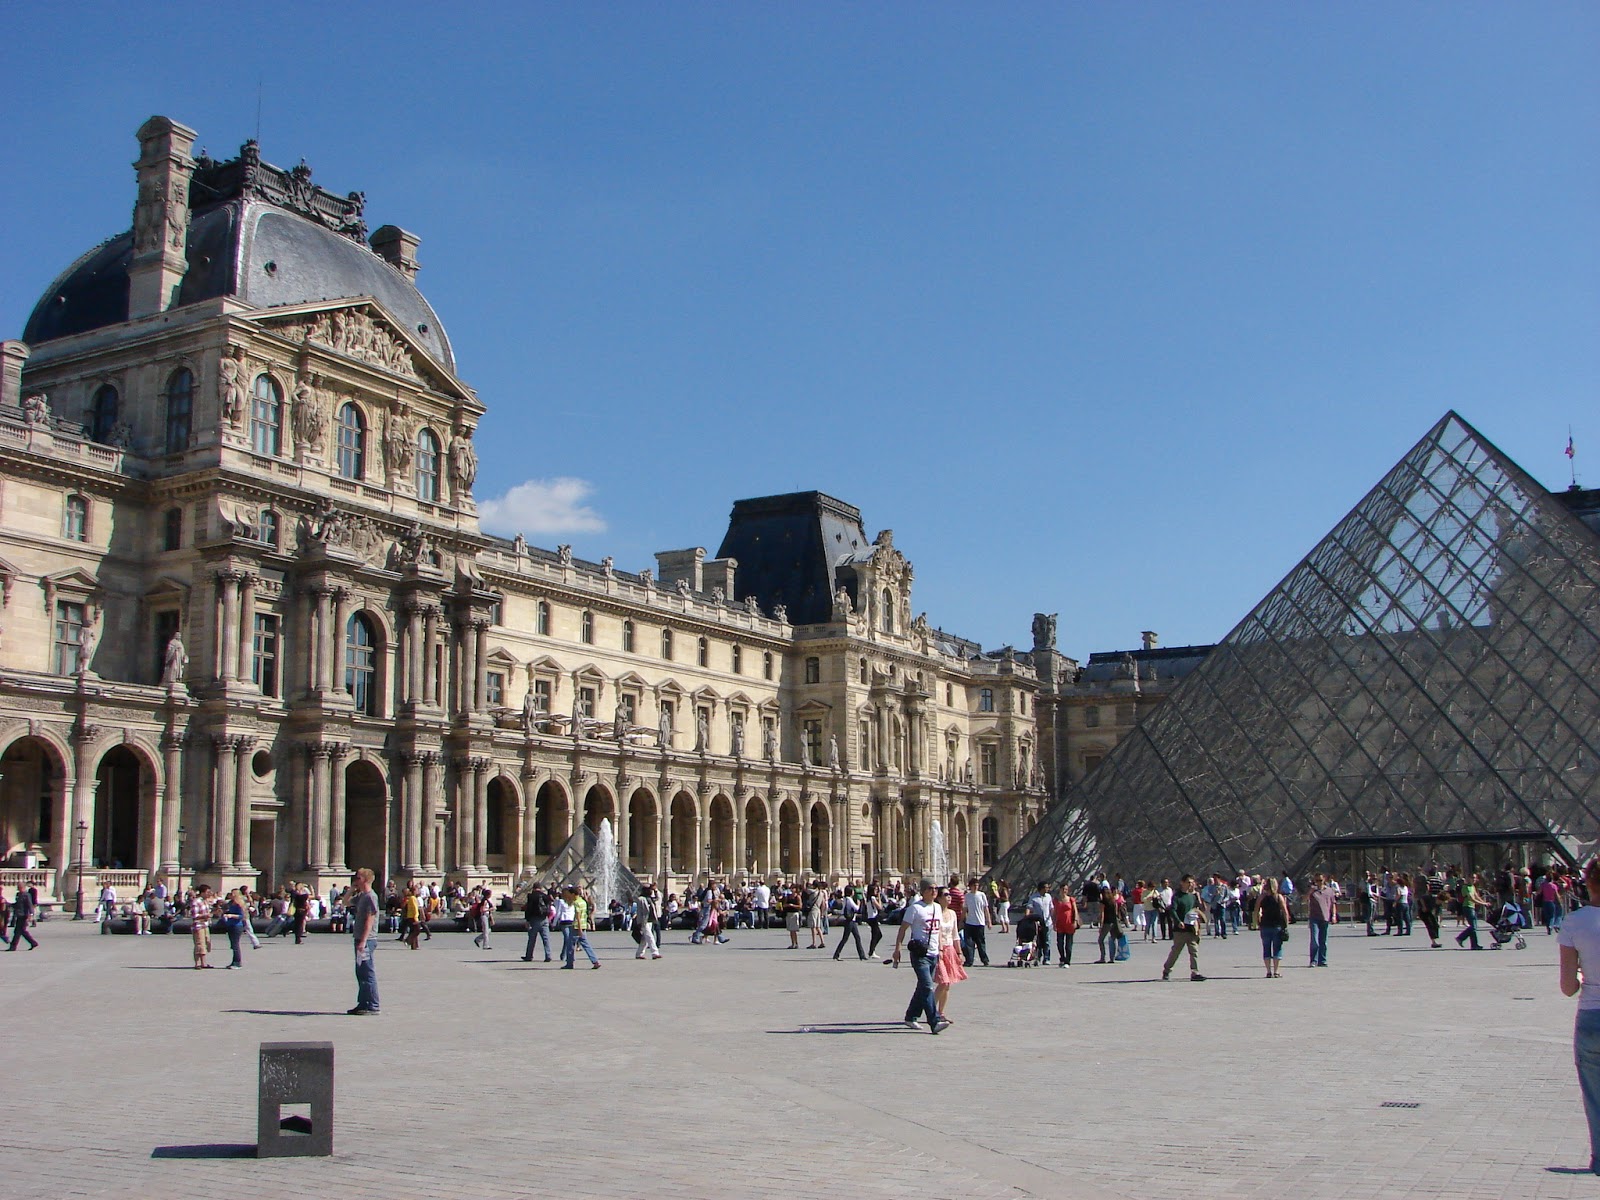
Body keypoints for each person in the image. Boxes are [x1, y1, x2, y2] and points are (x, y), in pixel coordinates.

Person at [1559, 859, 1600, 1175]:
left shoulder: (1574, 922)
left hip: (1591, 1016)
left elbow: (1568, 987)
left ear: (1587, 883)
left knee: (1594, 1096)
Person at [891, 880, 949, 1034]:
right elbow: (903, 929)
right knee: (928, 986)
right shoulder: (915, 909)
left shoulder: (937, 907)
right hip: (919, 954)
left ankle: (911, 1016)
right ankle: (934, 1021)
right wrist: (898, 948)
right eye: (930, 888)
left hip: (933, 953)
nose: (934, 891)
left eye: (936, 889)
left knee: (922, 987)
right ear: (923, 891)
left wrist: (941, 948)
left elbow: (938, 931)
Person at [1161, 875, 1207, 982]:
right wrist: (1178, 921)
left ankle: (1195, 972)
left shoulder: (1192, 896)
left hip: (1191, 928)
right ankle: (1167, 970)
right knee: (1176, 951)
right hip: (1180, 929)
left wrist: (1198, 921)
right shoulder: (1177, 896)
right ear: (1182, 883)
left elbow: (1197, 909)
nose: (1190, 884)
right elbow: (1173, 910)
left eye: (1192, 882)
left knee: (1194, 950)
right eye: (1188, 882)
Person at [348, 867, 380, 1015]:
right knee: (360, 972)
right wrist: (351, 889)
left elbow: (370, 920)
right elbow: (345, 903)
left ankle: (372, 1005)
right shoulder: (362, 896)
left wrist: (363, 941)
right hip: (360, 938)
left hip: (367, 940)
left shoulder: (371, 897)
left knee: (367, 972)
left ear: (365, 879)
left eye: (358, 877)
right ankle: (362, 1003)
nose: (356, 879)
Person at [932, 888, 968, 1020]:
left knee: (948, 984)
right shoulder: (935, 912)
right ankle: (932, 1010)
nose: (949, 897)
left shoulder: (952, 913)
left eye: (950, 895)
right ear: (939, 898)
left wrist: (959, 952)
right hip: (938, 949)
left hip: (950, 949)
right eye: (946, 895)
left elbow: (955, 934)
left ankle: (940, 1012)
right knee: (944, 981)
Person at [557, 885, 600, 969]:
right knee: (586, 945)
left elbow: (578, 917)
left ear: (573, 894)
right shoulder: (583, 902)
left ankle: (569, 963)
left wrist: (579, 929)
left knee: (570, 945)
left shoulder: (576, 903)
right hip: (583, 925)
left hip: (577, 927)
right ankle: (595, 961)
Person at [1255, 876, 1290, 977]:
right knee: (1277, 948)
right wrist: (1286, 924)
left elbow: (1256, 910)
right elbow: (1285, 911)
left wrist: (1257, 921)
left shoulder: (1262, 897)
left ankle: (1268, 971)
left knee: (1266, 948)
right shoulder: (1279, 897)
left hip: (1265, 925)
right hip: (1277, 925)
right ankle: (1276, 971)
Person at [1306, 873, 1337, 968]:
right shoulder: (1312, 891)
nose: (1318, 882)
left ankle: (1322, 960)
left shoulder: (1329, 891)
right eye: (1316, 881)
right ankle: (1313, 960)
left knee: (1323, 941)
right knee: (1315, 940)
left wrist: (1334, 915)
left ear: (1324, 880)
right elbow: (1304, 899)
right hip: (1314, 918)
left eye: (1320, 880)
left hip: (1325, 917)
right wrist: (1309, 892)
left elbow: (1333, 903)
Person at [962, 878, 991, 967]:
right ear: (970, 886)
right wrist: (962, 920)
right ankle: (969, 960)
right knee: (969, 943)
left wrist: (988, 921)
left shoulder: (982, 895)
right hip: (970, 922)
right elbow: (965, 909)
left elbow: (986, 909)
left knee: (980, 942)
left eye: (977, 885)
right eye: (974, 885)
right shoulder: (967, 896)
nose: (976, 887)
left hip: (980, 922)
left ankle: (985, 960)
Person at [833, 888, 867, 961]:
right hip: (851, 921)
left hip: (849, 921)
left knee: (854, 938)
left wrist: (838, 918)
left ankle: (862, 955)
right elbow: (856, 908)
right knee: (850, 938)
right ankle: (837, 954)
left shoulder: (845, 899)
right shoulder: (850, 899)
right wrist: (859, 903)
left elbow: (843, 910)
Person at [521, 884, 552, 962]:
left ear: (533, 888)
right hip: (544, 918)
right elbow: (549, 907)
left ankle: (529, 956)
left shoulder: (531, 896)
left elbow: (529, 909)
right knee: (546, 939)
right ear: (540, 888)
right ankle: (548, 955)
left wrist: (527, 920)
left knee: (532, 939)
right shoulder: (545, 896)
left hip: (534, 919)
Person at [1455, 873, 1486, 950]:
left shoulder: (1472, 887)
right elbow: (1471, 898)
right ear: (1468, 878)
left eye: (1475, 878)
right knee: (1473, 927)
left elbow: (1476, 896)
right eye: (1472, 878)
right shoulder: (1465, 887)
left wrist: (1484, 903)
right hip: (1467, 907)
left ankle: (1472, 943)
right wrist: (1482, 903)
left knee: (1473, 927)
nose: (1474, 879)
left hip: (1472, 907)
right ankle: (1462, 938)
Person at [1052, 886, 1079, 968]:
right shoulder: (1056, 900)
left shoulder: (1071, 899)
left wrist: (1075, 921)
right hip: (1060, 924)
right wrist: (1053, 923)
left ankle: (1067, 961)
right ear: (1060, 890)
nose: (1065, 891)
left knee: (1068, 944)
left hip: (1069, 924)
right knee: (1060, 943)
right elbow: (1054, 912)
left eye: (1066, 889)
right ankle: (1062, 958)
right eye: (1063, 889)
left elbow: (1075, 911)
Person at [188, 885, 213, 969]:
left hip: (205, 925)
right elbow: (194, 915)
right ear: (202, 892)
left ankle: (204, 963)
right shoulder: (196, 902)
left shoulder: (205, 901)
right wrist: (206, 915)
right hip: (198, 925)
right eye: (207, 892)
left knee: (206, 943)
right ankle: (197, 963)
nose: (209, 894)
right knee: (199, 944)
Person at [6, 885, 38, 951]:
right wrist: (8, 904)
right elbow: (17, 904)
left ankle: (13, 947)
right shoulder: (18, 894)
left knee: (17, 932)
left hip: (24, 915)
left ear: (23, 888)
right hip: (19, 915)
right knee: (22, 931)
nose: (18, 889)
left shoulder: (26, 895)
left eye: (19, 887)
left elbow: (29, 905)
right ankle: (33, 943)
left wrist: (31, 914)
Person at [633, 887, 662, 960]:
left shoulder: (650, 898)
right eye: (649, 890)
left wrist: (656, 890)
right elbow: (641, 912)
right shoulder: (641, 899)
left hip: (650, 920)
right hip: (644, 921)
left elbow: (659, 898)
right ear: (645, 891)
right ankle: (655, 953)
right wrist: (640, 922)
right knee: (650, 936)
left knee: (644, 939)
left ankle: (639, 954)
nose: (650, 891)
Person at [221, 889, 248, 969]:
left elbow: (241, 916)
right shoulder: (230, 903)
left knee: (235, 944)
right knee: (233, 945)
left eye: (233, 894)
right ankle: (233, 961)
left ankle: (237, 962)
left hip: (237, 925)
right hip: (230, 924)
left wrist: (231, 915)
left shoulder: (239, 904)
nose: (231, 895)